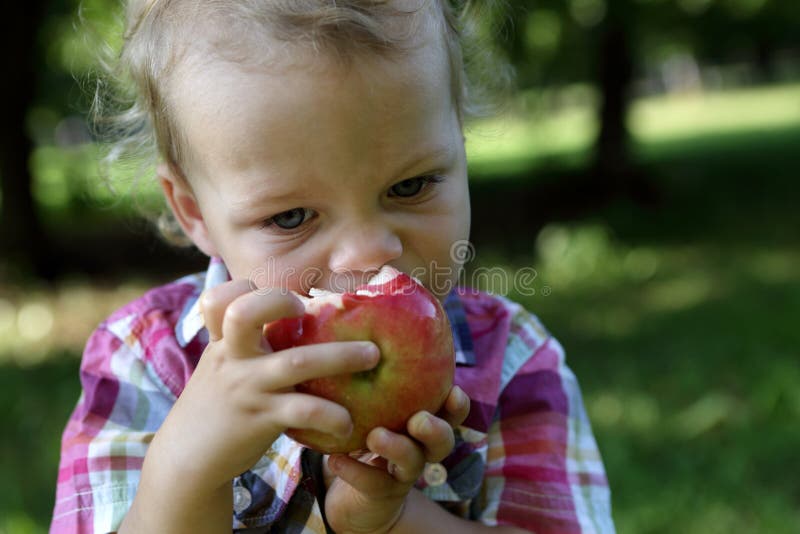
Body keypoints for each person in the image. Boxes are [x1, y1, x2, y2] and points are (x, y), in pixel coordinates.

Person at [51, 1, 614, 532]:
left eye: (410, 185)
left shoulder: (513, 362)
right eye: (293, 216)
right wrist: (186, 471)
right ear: (194, 212)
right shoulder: (143, 362)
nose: (369, 253)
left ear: (459, 150)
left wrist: (390, 521)